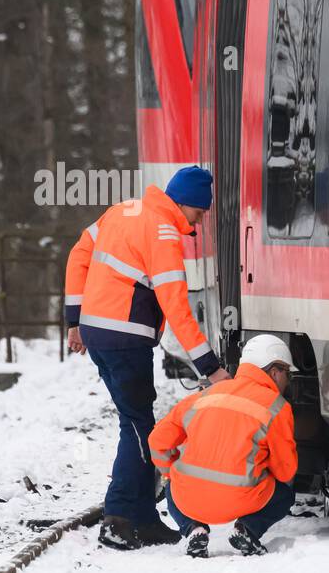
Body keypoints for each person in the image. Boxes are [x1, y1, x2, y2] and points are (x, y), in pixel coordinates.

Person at [64, 166, 231, 551]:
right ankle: (118, 517)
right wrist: (210, 368)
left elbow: (78, 255)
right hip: (124, 336)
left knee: (138, 421)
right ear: (187, 202)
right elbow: (177, 307)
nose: (199, 220)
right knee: (138, 425)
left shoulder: (122, 210)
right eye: (200, 212)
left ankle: (143, 519)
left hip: (98, 331)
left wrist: (75, 320)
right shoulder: (163, 232)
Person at [148, 334, 298, 558]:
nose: (288, 380)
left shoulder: (202, 396)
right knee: (285, 494)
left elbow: (157, 441)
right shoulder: (277, 407)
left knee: (173, 483)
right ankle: (247, 529)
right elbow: (285, 471)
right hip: (242, 500)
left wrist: (169, 472)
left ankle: (194, 530)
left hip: (189, 500)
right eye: (288, 374)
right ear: (274, 372)